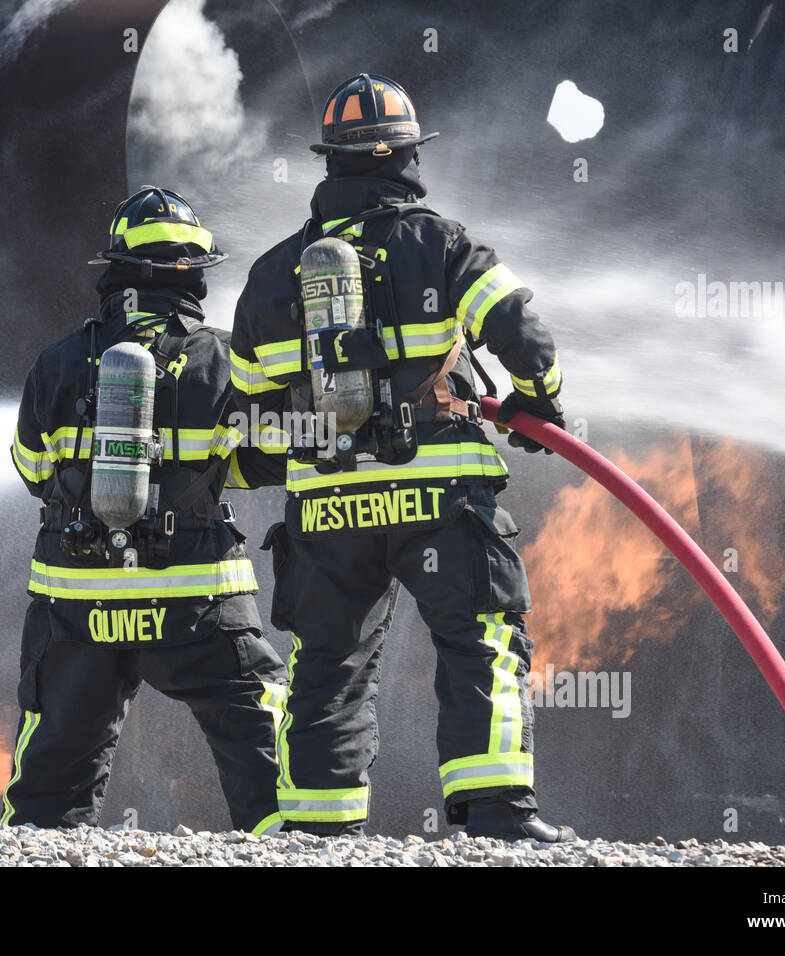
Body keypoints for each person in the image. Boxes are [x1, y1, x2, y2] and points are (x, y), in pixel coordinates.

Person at [230, 74, 575, 841]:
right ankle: (495, 819)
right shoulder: (444, 243)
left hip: (327, 505)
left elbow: (252, 418)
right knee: (477, 638)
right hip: (441, 495)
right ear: (409, 157)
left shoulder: (269, 275)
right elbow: (523, 330)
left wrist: (308, 451)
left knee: (327, 662)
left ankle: (319, 831)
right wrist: (538, 401)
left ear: (330, 163)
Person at [1, 185, 288, 835]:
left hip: (77, 609)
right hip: (194, 604)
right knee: (264, 751)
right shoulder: (226, 360)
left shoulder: (57, 363)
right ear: (193, 275)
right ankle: (288, 852)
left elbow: (31, 472)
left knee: (47, 779)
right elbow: (275, 457)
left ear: (116, 271)